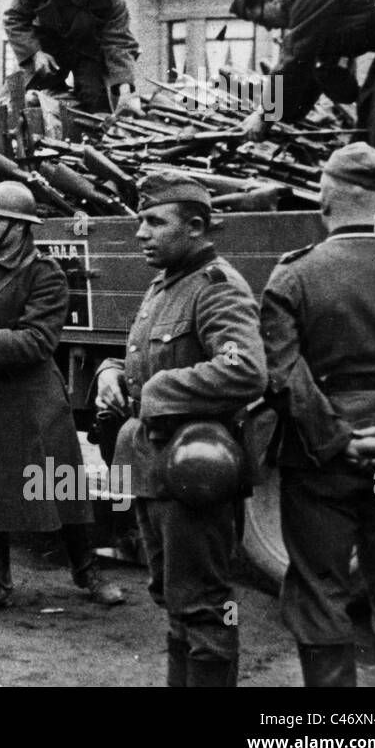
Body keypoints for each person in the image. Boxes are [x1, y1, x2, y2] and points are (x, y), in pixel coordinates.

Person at [259, 142, 375, 687]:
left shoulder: (293, 276)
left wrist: (340, 440)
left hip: (322, 467)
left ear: (324, 197)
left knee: (320, 597)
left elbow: (284, 375)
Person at [95, 172, 267, 686]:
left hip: (196, 472)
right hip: (156, 469)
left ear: (195, 227)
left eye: (154, 221)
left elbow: (245, 368)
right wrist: (110, 372)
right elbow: (146, 355)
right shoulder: (166, 283)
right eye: (139, 221)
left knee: (204, 608)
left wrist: (156, 391)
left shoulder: (215, 287)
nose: (140, 233)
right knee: (174, 599)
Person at [0, 182, 124, 615]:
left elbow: (39, 341)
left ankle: (87, 572)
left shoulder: (46, 273)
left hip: (29, 392)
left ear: (19, 226)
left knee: (59, 482)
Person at [230, 0, 375, 174]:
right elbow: (324, 83)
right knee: (369, 106)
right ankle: (364, 179)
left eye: (260, 19)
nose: (268, 28)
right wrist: (278, 117)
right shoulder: (319, 19)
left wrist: (264, 114)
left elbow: (293, 59)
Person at [4, 0, 141, 114]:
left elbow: (119, 43)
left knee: (97, 103)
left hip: (87, 51)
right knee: (21, 101)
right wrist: (35, 54)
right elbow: (14, 17)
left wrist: (126, 92)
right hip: (46, 49)